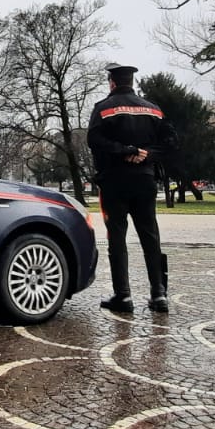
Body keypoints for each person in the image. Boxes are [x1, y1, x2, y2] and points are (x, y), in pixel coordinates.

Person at [87, 62, 175, 313]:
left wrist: (125, 151)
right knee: (150, 236)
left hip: (114, 181)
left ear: (112, 82)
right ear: (132, 82)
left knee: (117, 237)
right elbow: (171, 142)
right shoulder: (154, 110)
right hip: (145, 179)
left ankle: (123, 296)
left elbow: (94, 140)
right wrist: (146, 154)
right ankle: (159, 295)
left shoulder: (103, 108)